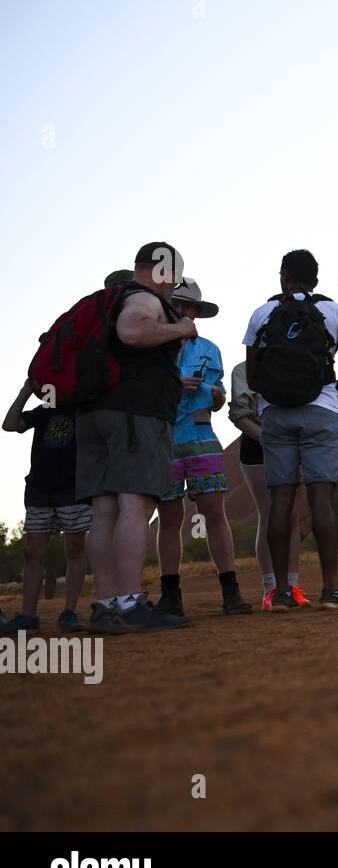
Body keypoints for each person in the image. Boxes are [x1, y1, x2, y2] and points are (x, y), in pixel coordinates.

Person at [80, 244, 194, 634]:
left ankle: (107, 604)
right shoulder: (142, 298)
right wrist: (181, 327)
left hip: (93, 415)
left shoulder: (105, 301)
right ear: (163, 272)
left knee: (104, 511)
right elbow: (132, 331)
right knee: (135, 506)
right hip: (135, 415)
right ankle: (129, 603)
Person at [244, 248, 338, 611]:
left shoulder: (262, 314)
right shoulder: (335, 312)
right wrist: (325, 391)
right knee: (320, 498)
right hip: (321, 411)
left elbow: (251, 377)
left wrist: (279, 395)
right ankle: (330, 589)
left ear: (284, 276)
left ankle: (280, 593)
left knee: (280, 501)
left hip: (275, 415)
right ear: (316, 278)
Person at [155, 278, 252, 616]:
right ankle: (170, 595)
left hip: (200, 435)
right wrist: (172, 383)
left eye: (189, 306)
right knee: (169, 517)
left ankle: (231, 591)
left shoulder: (210, 350)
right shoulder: (153, 346)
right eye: (178, 304)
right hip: (163, 438)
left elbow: (219, 397)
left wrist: (215, 394)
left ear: (196, 312)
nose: (183, 310)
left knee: (214, 512)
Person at [1, 379, 89, 635]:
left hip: (72, 489)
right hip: (40, 489)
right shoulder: (44, 411)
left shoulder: (83, 408)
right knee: (32, 553)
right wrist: (26, 389)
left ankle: (69, 611)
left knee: (75, 548)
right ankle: (28, 615)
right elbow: (8, 424)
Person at [229, 361, 304, 595]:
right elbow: (239, 415)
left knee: (291, 514)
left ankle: (292, 585)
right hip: (257, 443)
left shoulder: (294, 365)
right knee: (268, 512)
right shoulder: (243, 370)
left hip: (292, 442)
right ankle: (270, 587)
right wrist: (269, 439)